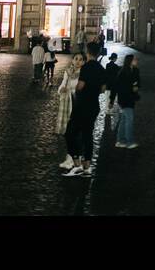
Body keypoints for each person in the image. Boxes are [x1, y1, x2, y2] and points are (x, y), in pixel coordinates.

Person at [64, 41, 106, 176]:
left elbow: (80, 86)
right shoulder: (101, 68)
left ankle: (76, 161)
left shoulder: (86, 68)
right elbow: (103, 89)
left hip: (82, 104)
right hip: (94, 105)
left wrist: (74, 90)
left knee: (70, 132)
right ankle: (87, 163)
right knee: (88, 134)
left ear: (88, 53)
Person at [56, 53, 84, 170]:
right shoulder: (68, 72)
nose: (78, 61)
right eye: (76, 59)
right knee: (69, 134)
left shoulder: (84, 74)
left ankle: (74, 159)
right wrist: (61, 89)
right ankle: (71, 158)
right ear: (72, 60)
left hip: (79, 107)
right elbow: (62, 86)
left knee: (73, 135)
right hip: (68, 107)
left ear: (83, 62)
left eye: (81, 60)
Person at [112, 54, 141, 149]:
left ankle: (120, 140)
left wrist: (136, 87)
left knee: (124, 120)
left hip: (131, 98)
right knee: (129, 119)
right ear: (130, 61)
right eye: (135, 59)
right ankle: (129, 141)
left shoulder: (136, 71)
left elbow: (138, 83)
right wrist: (111, 100)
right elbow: (116, 87)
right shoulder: (122, 73)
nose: (137, 61)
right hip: (124, 99)